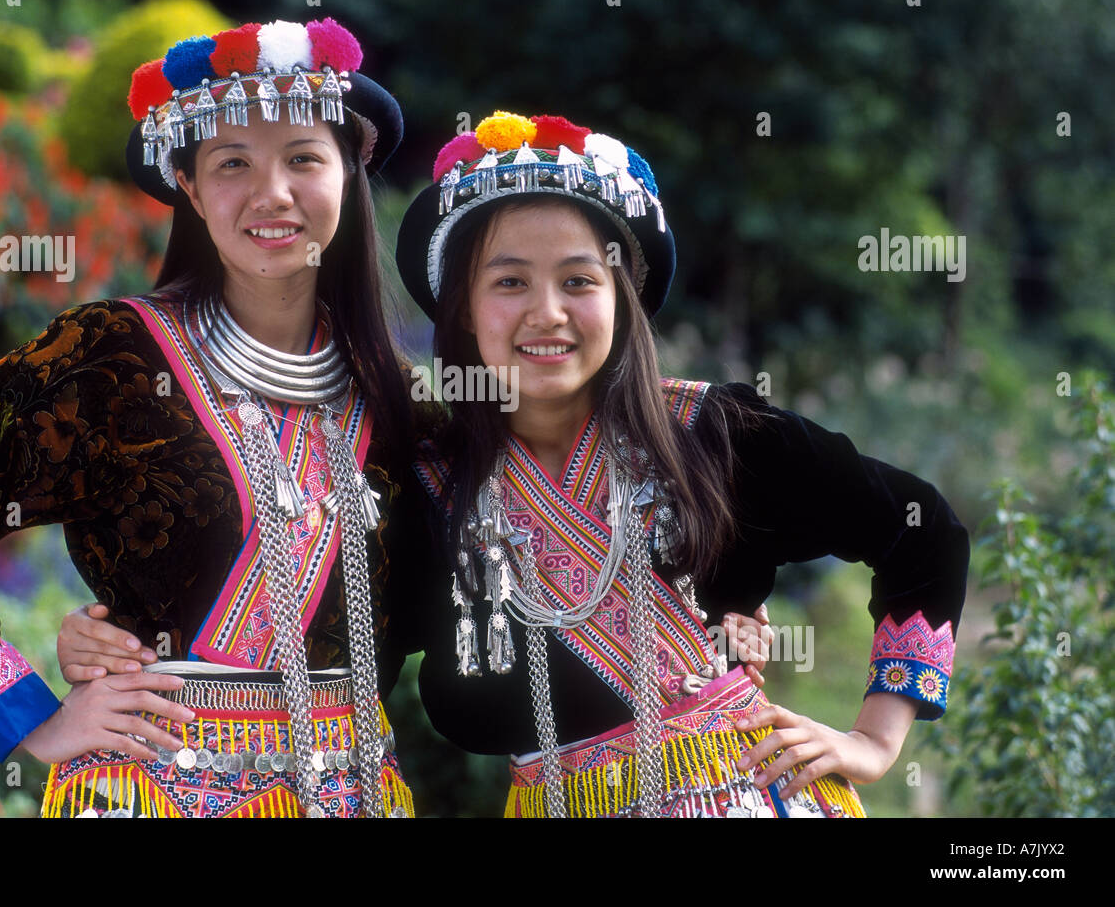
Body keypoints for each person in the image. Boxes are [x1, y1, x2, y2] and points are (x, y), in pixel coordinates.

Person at [0, 18, 423, 818]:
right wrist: (29, 720)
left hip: (355, 794)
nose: (272, 193)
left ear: (350, 172)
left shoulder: (393, 400)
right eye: (232, 164)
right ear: (187, 186)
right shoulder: (108, 358)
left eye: (302, 158)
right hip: (147, 788)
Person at [392, 110, 969, 817]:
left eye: (579, 281)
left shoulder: (715, 434)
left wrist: (873, 741)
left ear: (623, 302)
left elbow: (922, 531)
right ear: (462, 311)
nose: (546, 312)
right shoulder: (424, 492)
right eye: (509, 283)